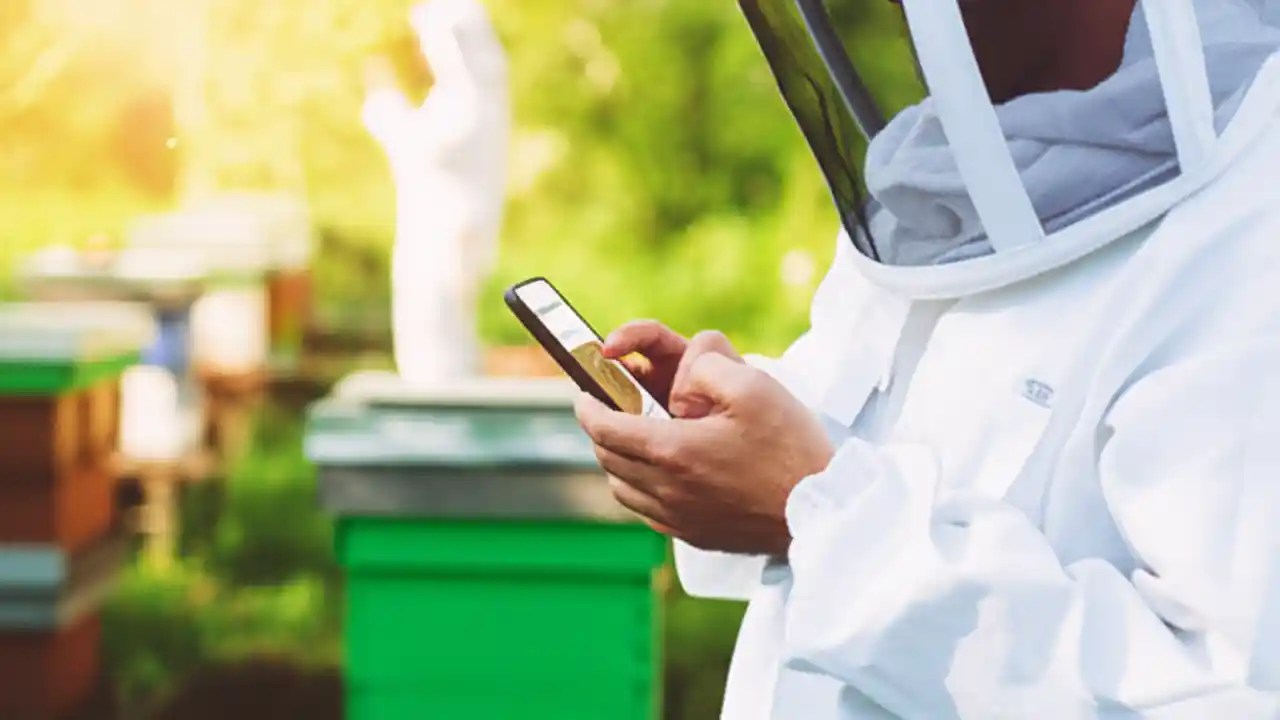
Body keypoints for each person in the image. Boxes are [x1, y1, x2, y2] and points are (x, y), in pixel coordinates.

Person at [574, 0, 1280, 716]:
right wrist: (725, 431)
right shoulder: (943, 171)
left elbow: (1225, 694)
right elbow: (873, 446)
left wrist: (814, 512)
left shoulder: (1253, 231)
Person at [363, 0, 508, 384]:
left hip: (445, 239)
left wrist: (382, 102)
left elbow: (419, 147)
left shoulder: (469, 99)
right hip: (442, 234)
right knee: (433, 337)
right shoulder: (467, 95)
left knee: (438, 340)